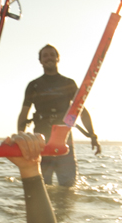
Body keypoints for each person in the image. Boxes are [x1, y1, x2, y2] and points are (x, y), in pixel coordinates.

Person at [17, 44, 101, 188]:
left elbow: (82, 111)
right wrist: (20, 137)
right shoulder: (34, 85)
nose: (49, 58)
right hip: (40, 141)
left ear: (58, 59)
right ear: (41, 61)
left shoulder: (68, 83)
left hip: (64, 141)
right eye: (45, 56)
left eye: (51, 55)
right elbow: (24, 113)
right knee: (41, 187)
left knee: (69, 188)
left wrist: (92, 135)